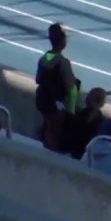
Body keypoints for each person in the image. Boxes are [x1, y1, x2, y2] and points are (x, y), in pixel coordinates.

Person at [34, 23, 79, 153]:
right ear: (63, 42)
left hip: (42, 99)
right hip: (56, 103)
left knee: (49, 126)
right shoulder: (63, 62)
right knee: (54, 131)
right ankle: (50, 153)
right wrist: (71, 111)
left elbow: (38, 79)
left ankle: (46, 145)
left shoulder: (44, 58)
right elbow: (71, 88)